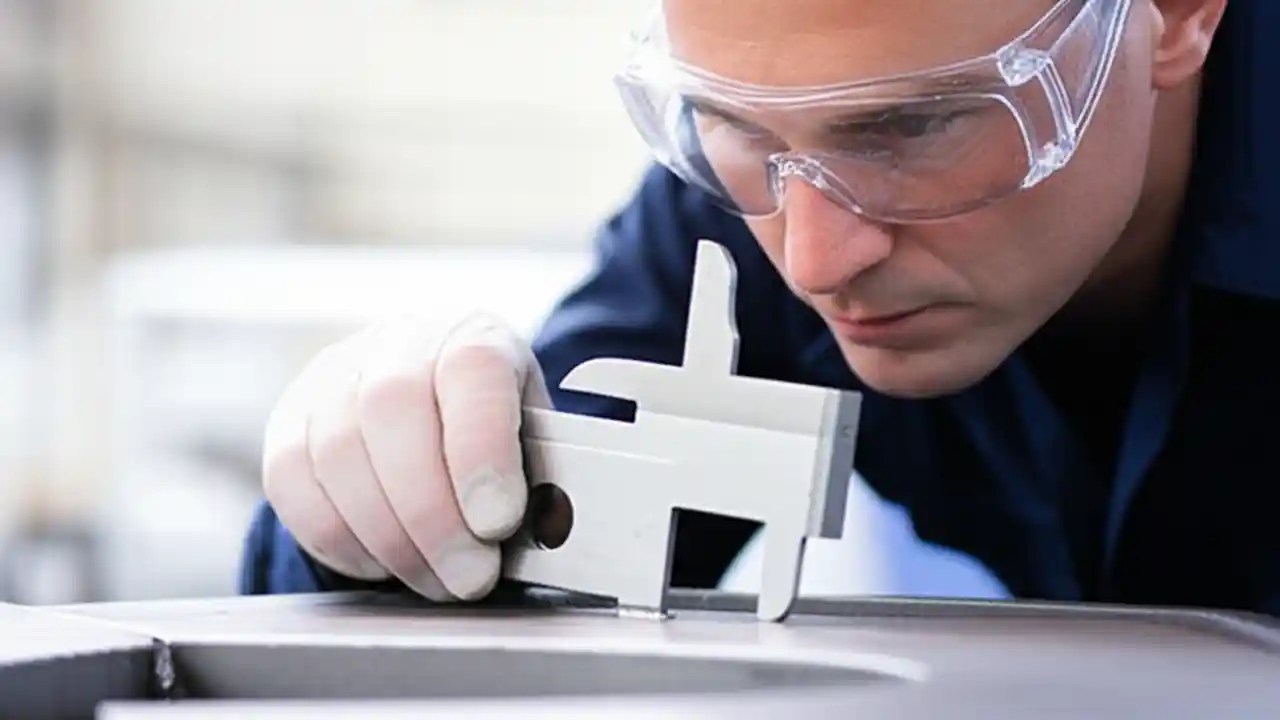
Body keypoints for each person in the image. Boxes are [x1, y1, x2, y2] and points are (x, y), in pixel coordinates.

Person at [238, 0, 1280, 616]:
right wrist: (383, 485)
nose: (816, 260)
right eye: (725, 123)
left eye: (911, 130)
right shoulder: (750, 202)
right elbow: (509, 579)